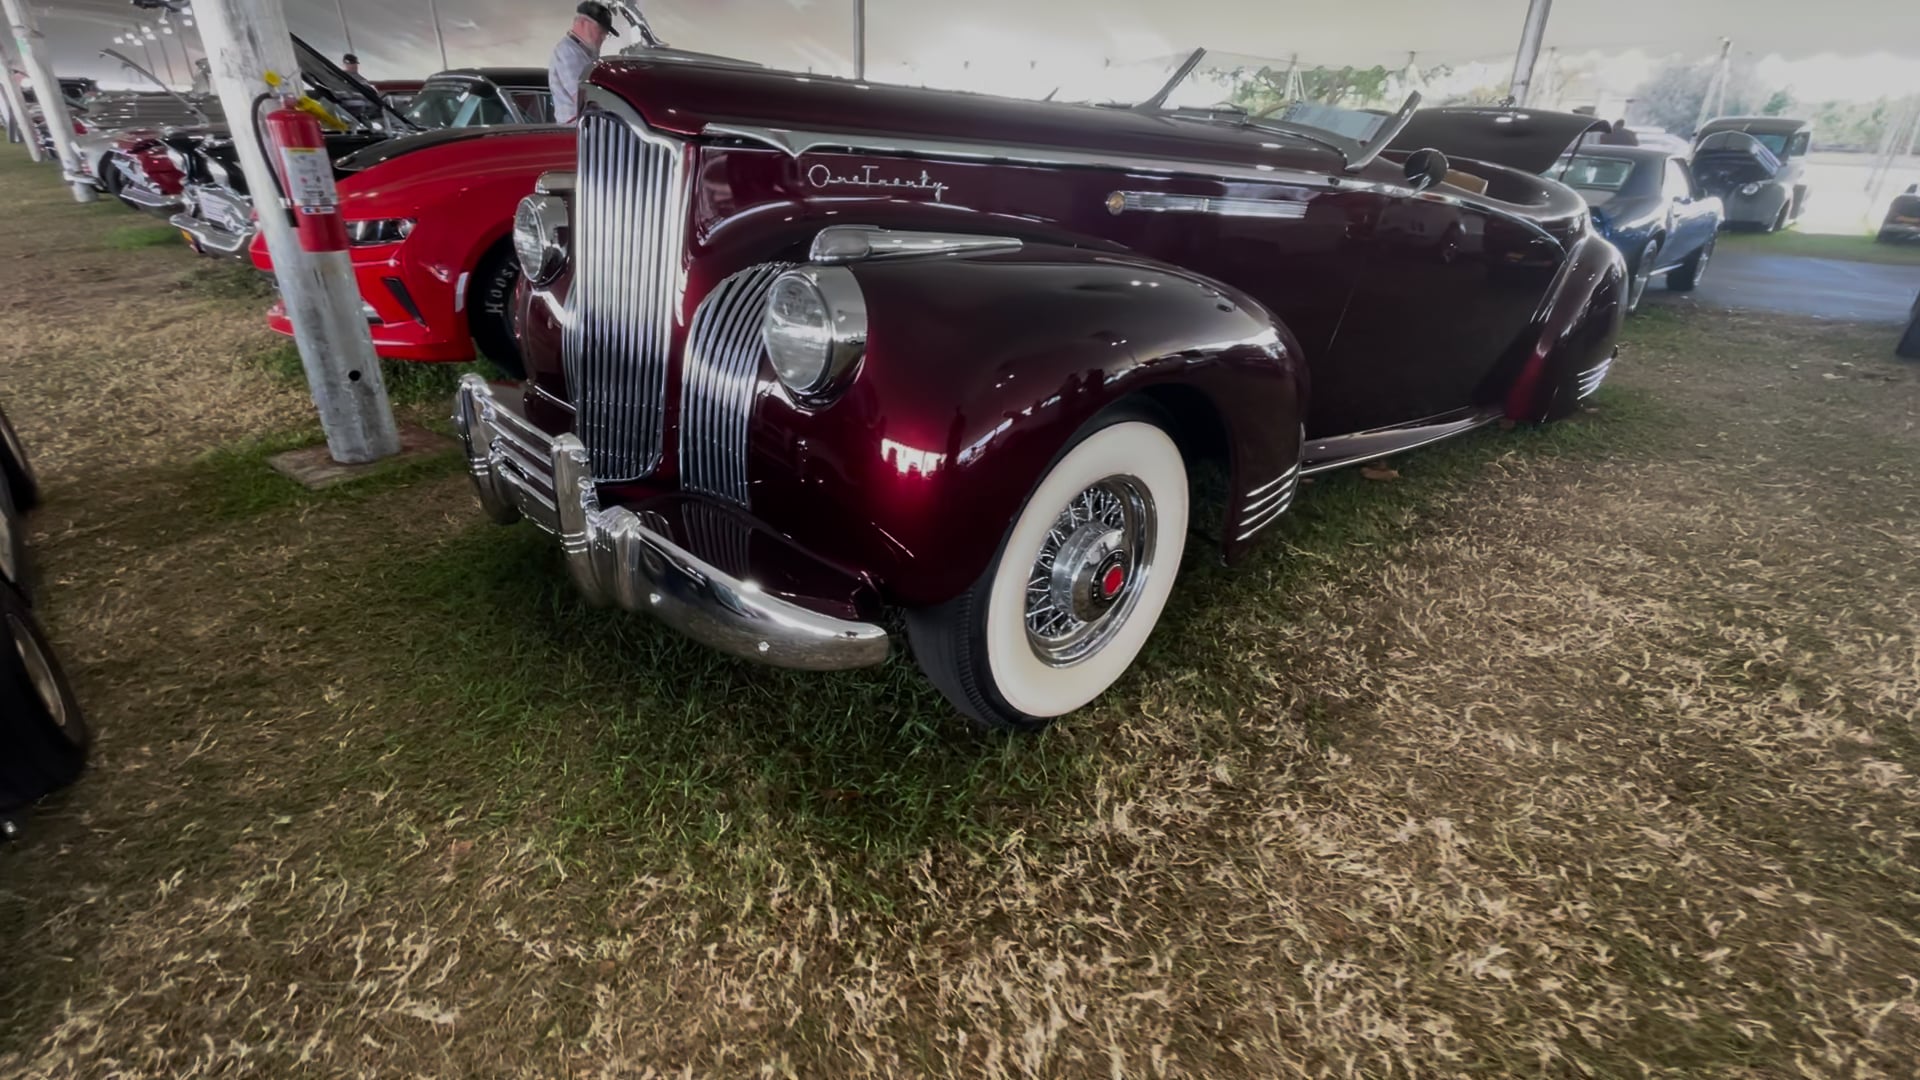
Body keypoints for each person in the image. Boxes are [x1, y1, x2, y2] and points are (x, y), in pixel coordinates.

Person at [550, 1, 619, 124]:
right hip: (575, 131)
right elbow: (583, 98)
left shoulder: (583, 52)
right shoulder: (568, 51)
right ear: (583, 23)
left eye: (606, 33)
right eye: (601, 30)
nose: (603, 37)